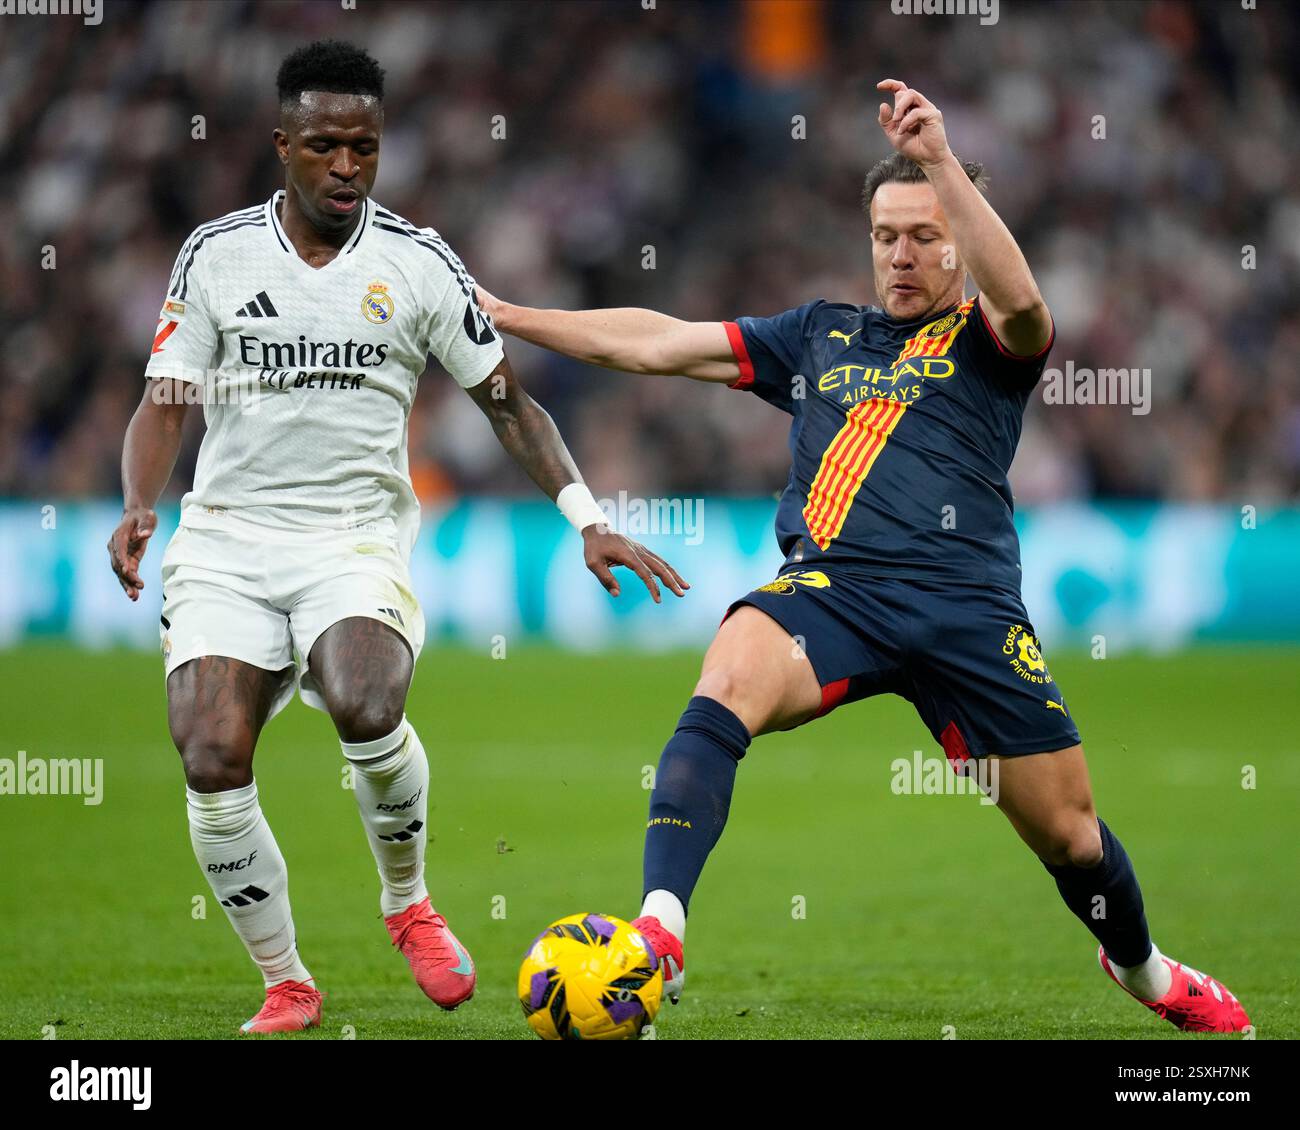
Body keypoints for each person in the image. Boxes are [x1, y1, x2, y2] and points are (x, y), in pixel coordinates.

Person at [475, 79, 1249, 1034]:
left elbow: (1023, 298)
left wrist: (941, 161)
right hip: (834, 593)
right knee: (723, 686)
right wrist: (513, 314)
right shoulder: (818, 335)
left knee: (1072, 837)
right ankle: (660, 932)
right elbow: (663, 344)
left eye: (924, 234)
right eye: (887, 235)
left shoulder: (990, 340)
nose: (902, 254)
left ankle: (1149, 975)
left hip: (968, 609)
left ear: (958, 238)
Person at [107, 39, 685, 1035]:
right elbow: (165, 401)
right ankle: (285, 978)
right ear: (281, 142)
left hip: (354, 537)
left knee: (365, 698)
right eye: (326, 145)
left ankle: (407, 899)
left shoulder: (418, 263)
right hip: (227, 538)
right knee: (209, 752)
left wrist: (588, 518)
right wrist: (135, 504)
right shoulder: (216, 254)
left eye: (364, 148)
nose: (346, 167)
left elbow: (508, 404)